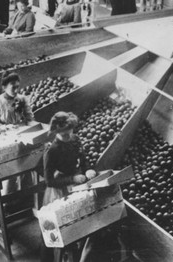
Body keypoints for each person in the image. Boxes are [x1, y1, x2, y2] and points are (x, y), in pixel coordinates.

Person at [41, 111, 97, 262]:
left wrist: (88, 169)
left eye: (69, 133)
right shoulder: (51, 151)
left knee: (79, 225)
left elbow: (83, 159)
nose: (68, 137)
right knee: (57, 230)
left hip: (77, 185)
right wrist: (72, 178)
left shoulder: (75, 139)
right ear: (56, 133)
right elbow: (48, 181)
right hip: (60, 190)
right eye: (63, 135)